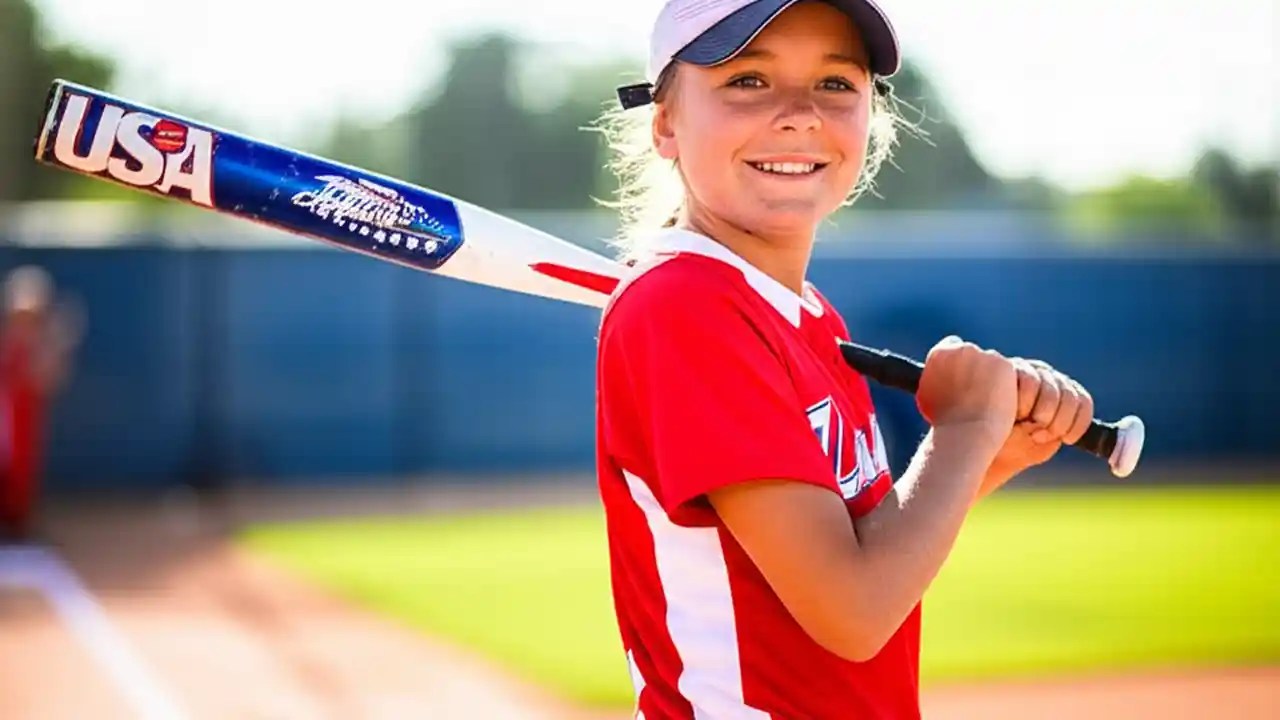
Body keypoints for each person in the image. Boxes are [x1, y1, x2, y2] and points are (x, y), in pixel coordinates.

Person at [593, 1, 1095, 717]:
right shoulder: (684, 309)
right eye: (746, 81)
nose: (799, 114)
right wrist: (959, 435)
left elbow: (867, 542)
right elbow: (853, 612)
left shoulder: (801, 314)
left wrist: (992, 453)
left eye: (835, 84)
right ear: (665, 123)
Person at [0, 266, 79, 541]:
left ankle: (17, 525)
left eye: (33, 314)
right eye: (22, 314)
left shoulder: (36, 346)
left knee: (23, 474)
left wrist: (58, 345)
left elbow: (49, 379)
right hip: (7, 422)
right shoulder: (8, 344)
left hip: (27, 422)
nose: (26, 320)